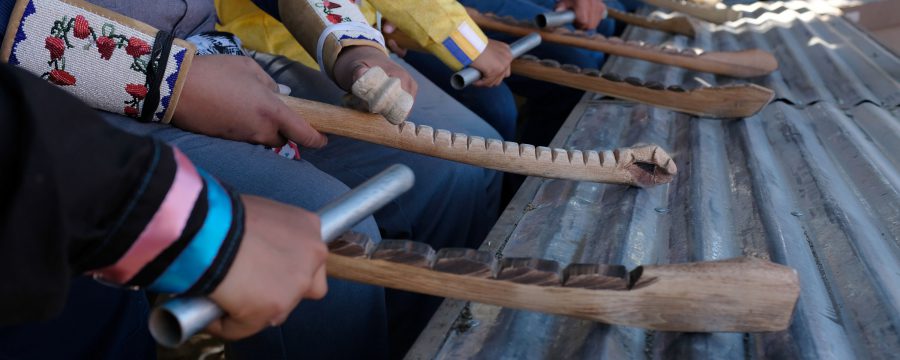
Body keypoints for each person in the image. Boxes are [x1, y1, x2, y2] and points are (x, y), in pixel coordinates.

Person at [1, 0, 500, 357]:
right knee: (330, 239)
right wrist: (176, 80)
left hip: (217, 55)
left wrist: (351, 46)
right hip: (60, 96)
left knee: (454, 168)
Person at [0, 63, 330, 357]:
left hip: (206, 70)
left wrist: (351, 45)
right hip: (83, 119)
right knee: (318, 205)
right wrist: (172, 79)